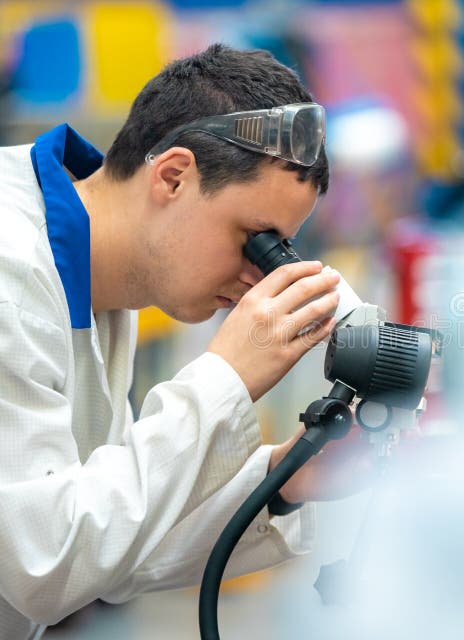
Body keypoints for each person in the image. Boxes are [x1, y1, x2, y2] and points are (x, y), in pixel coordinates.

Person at [0, 43, 373, 639]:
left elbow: (110, 545)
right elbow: (43, 565)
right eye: (256, 238)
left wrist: (285, 481)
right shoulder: (11, 269)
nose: (262, 274)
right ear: (173, 176)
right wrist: (227, 373)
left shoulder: (94, 278)